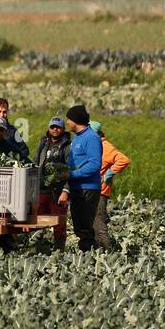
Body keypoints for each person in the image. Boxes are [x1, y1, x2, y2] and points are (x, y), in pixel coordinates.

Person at [58, 104, 106, 251]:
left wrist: (72, 174)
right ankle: (86, 255)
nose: (67, 122)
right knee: (79, 227)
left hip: (88, 188)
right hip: (77, 187)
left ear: (75, 120)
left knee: (85, 228)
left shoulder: (91, 137)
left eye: (68, 119)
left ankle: (89, 257)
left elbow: (94, 165)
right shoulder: (77, 137)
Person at [90, 120, 130, 252]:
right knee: (93, 227)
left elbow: (123, 160)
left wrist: (109, 173)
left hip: (99, 192)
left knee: (99, 227)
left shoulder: (105, 146)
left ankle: (109, 255)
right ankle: (98, 254)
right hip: (90, 191)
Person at [34, 116, 71, 247]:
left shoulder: (67, 146)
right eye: (52, 127)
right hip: (43, 189)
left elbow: (71, 170)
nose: (55, 129)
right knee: (38, 220)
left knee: (59, 223)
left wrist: (66, 190)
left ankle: (58, 251)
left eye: (58, 127)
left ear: (63, 129)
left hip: (58, 191)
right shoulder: (43, 143)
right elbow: (35, 163)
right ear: (48, 128)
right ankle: (38, 248)